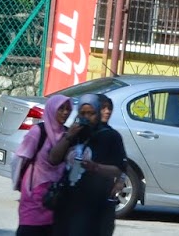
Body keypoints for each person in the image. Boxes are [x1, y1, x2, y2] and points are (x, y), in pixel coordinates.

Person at [48, 92, 128, 236]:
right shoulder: (73, 133)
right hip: (68, 205)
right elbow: (53, 159)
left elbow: (118, 169)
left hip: (96, 207)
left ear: (97, 113)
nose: (87, 117)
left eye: (91, 113)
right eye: (83, 113)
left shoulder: (110, 136)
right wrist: (68, 137)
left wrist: (95, 167)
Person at [11, 93, 70, 236]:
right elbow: (19, 159)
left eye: (68, 109)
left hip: (56, 199)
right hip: (33, 197)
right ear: (51, 109)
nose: (65, 112)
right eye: (61, 109)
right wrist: (20, 185)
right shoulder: (38, 132)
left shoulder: (68, 134)